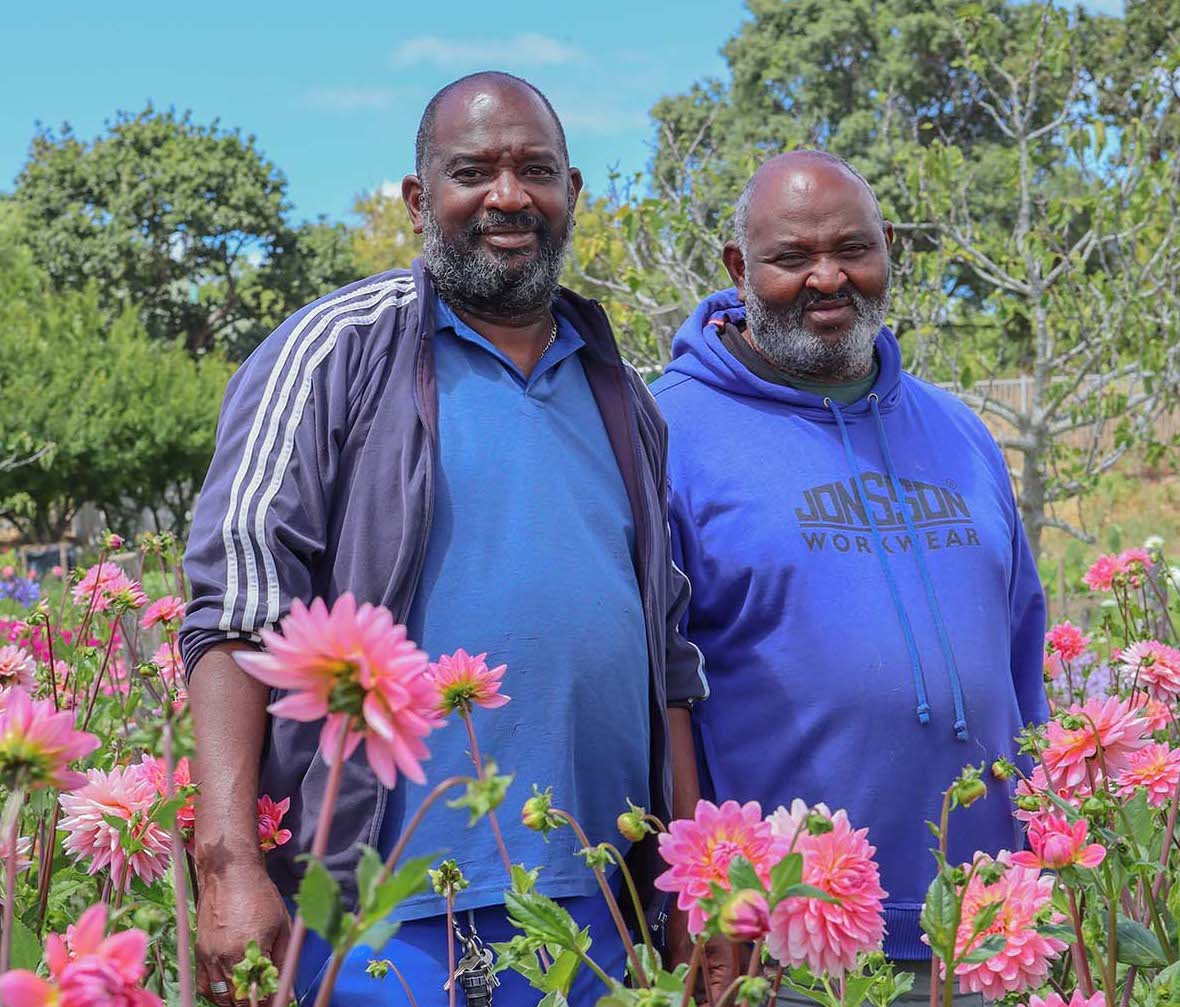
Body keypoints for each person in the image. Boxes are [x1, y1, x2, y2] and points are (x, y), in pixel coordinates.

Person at [180, 71, 707, 1007]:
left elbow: (668, 656)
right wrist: (227, 872)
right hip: (375, 913)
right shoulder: (335, 349)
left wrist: (689, 880)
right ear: (420, 198)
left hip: (595, 910)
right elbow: (235, 611)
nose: (510, 195)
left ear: (572, 194)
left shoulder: (623, 394)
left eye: (536, 170)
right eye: (475, 170)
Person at [650, 151, 1047, 1003]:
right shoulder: (667, 434)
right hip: (785, 946)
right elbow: (654, 691)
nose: (827, 278)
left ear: (889, 248)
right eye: (792, 257)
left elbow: (1023, 653)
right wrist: (699, 897)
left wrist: (1055, 849)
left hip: (988, 929)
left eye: (853, 249)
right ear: (738, 269)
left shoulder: (958, 429)